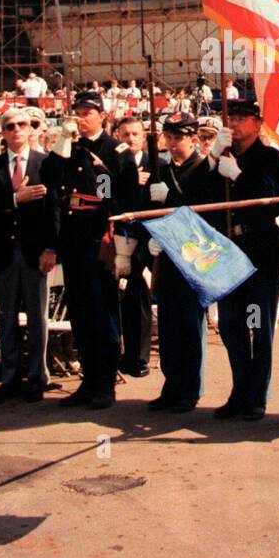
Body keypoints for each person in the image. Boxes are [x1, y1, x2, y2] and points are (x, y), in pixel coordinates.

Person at [46, 91, 138, 409]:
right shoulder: (69, 147)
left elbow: (120, 201)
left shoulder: (115, 151)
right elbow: (50, 180)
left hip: (101, 239)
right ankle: (88, 379)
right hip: (74, 241)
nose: (82, 118)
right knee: (81, 315)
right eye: (78, 112)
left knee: (103, 314)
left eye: (88, 112)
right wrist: (62, 143)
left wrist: (124, 249)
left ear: (102, 115)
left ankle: (105, 383)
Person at [209, 90, 279, 421]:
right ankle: (239, 390)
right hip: (228, 251)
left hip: (259, 251)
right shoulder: (220, 157)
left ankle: (258, 394)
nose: (235, 123)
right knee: (230, 324)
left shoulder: (270, 158)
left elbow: (270, 196)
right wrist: (213, 160)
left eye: (242, 118)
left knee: (258, 324)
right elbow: (203, 194)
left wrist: (238, 176)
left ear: (258, 124)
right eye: (231, 118)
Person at [0, 108, 57, 403]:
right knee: (6, 317)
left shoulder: (45, 163)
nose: (17, 130)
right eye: (10, 126)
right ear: (3, 132)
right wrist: (13, 199)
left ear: (32, 129)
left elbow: (54, 211)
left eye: (23, 124)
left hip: (36, 253)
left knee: (37, 317)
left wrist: (51, 249)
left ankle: (37, 376)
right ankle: (9, 377)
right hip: (3, 252)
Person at [144, 113, 222, 412]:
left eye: (179, 138)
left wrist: (172, 197)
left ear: (193, 139)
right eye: (170, 137)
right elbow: (146, 207)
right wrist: (150, 236)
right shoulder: (160, 170)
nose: (173, 144)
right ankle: (171, 385)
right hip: (166, 256)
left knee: (190, 325)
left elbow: (203, 212)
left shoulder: (204, 170)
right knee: (169, 325)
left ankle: (190, 389)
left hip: (193, 256)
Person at [116, 115, 154, 378]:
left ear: (143, 136)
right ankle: (126, 354)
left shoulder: (156, 164)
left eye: (134, 134)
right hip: (121, 238)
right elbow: (106, 195)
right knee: (124, 300)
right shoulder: (114, 165)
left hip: (148, 239)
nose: (130, 139)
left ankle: (140, 358)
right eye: (125, 134)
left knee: (141, 301)